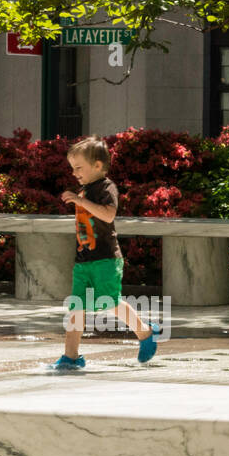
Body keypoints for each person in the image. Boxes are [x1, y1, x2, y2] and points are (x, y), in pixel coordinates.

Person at [51, 136, 160, 370]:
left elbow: (108, 215)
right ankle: (71, 357)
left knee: (110, 302)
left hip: (106, 259)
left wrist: (79, 201)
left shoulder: (106, 188)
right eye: (72, 168)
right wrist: (79, 199)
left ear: (98, 165)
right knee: (76, 307)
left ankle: (145, 332)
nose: (74, 173)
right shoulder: (84, 191)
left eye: (78, 167)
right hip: (83, 260)